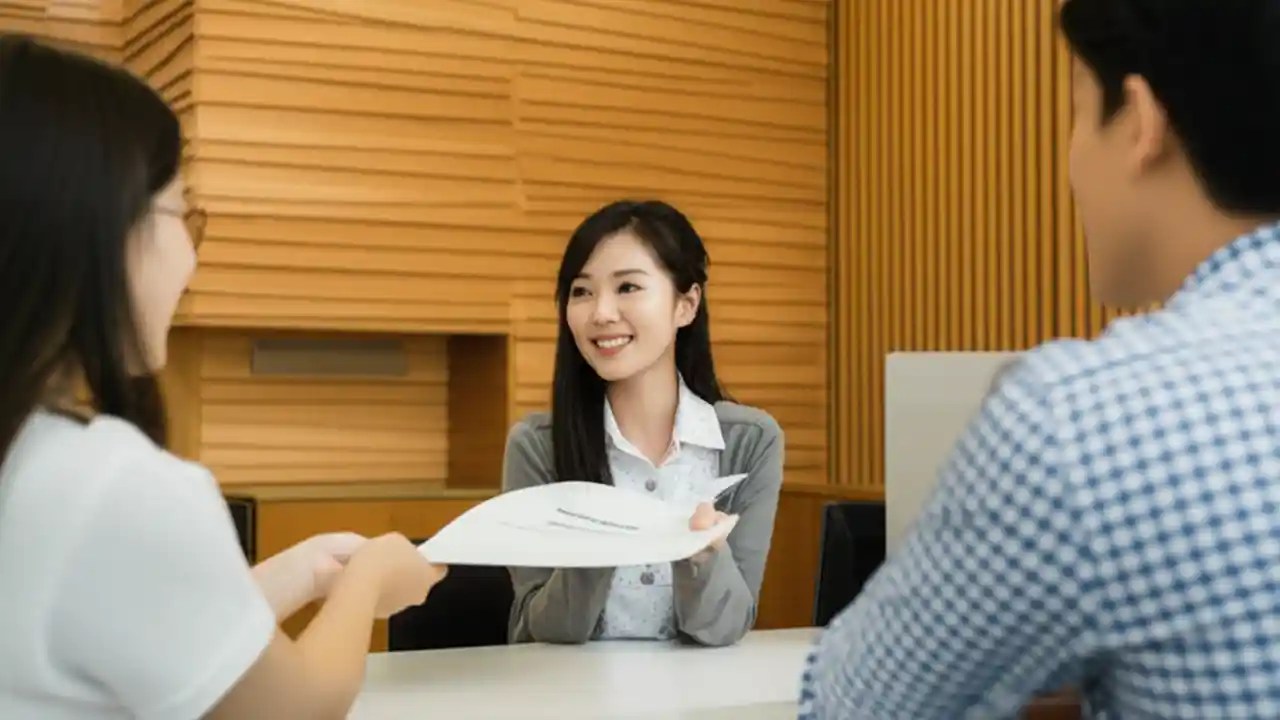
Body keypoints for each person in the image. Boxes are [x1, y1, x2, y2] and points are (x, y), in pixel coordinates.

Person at [800, 0, 1280, 717]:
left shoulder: (1082, 417)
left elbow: (851, 707)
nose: (1071, 159)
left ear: (1142, 122)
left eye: (1079, 108)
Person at [0, 34, 447, 719]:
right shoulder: (112, 482)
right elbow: (297, 706)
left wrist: (301, 573)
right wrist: (372, 580)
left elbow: (151, 625)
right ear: (101, 231)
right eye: (185, 214)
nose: (191, 257)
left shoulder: (33, 458)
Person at [502, 200, 784, 647]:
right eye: (581, 291)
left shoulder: (749, 442)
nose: (601, 313)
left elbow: (728, 626)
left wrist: (701, 557)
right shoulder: (537, 446)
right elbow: (545, 629)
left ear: (686, 305)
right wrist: (599, 543)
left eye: (628, 287)